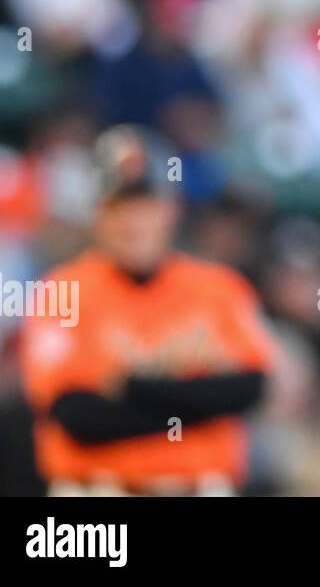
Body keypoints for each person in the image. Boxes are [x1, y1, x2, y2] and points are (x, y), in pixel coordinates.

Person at [20, 125, 274, 495]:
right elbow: (79, 417)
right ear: (96, 214)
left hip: (198, 488)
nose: (133, 221)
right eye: (118, 206)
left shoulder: (218, 287)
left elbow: (248, 389)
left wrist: (133, 387)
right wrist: (197, 403)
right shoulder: (63, 291)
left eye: (145, 204)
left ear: (171, 208)